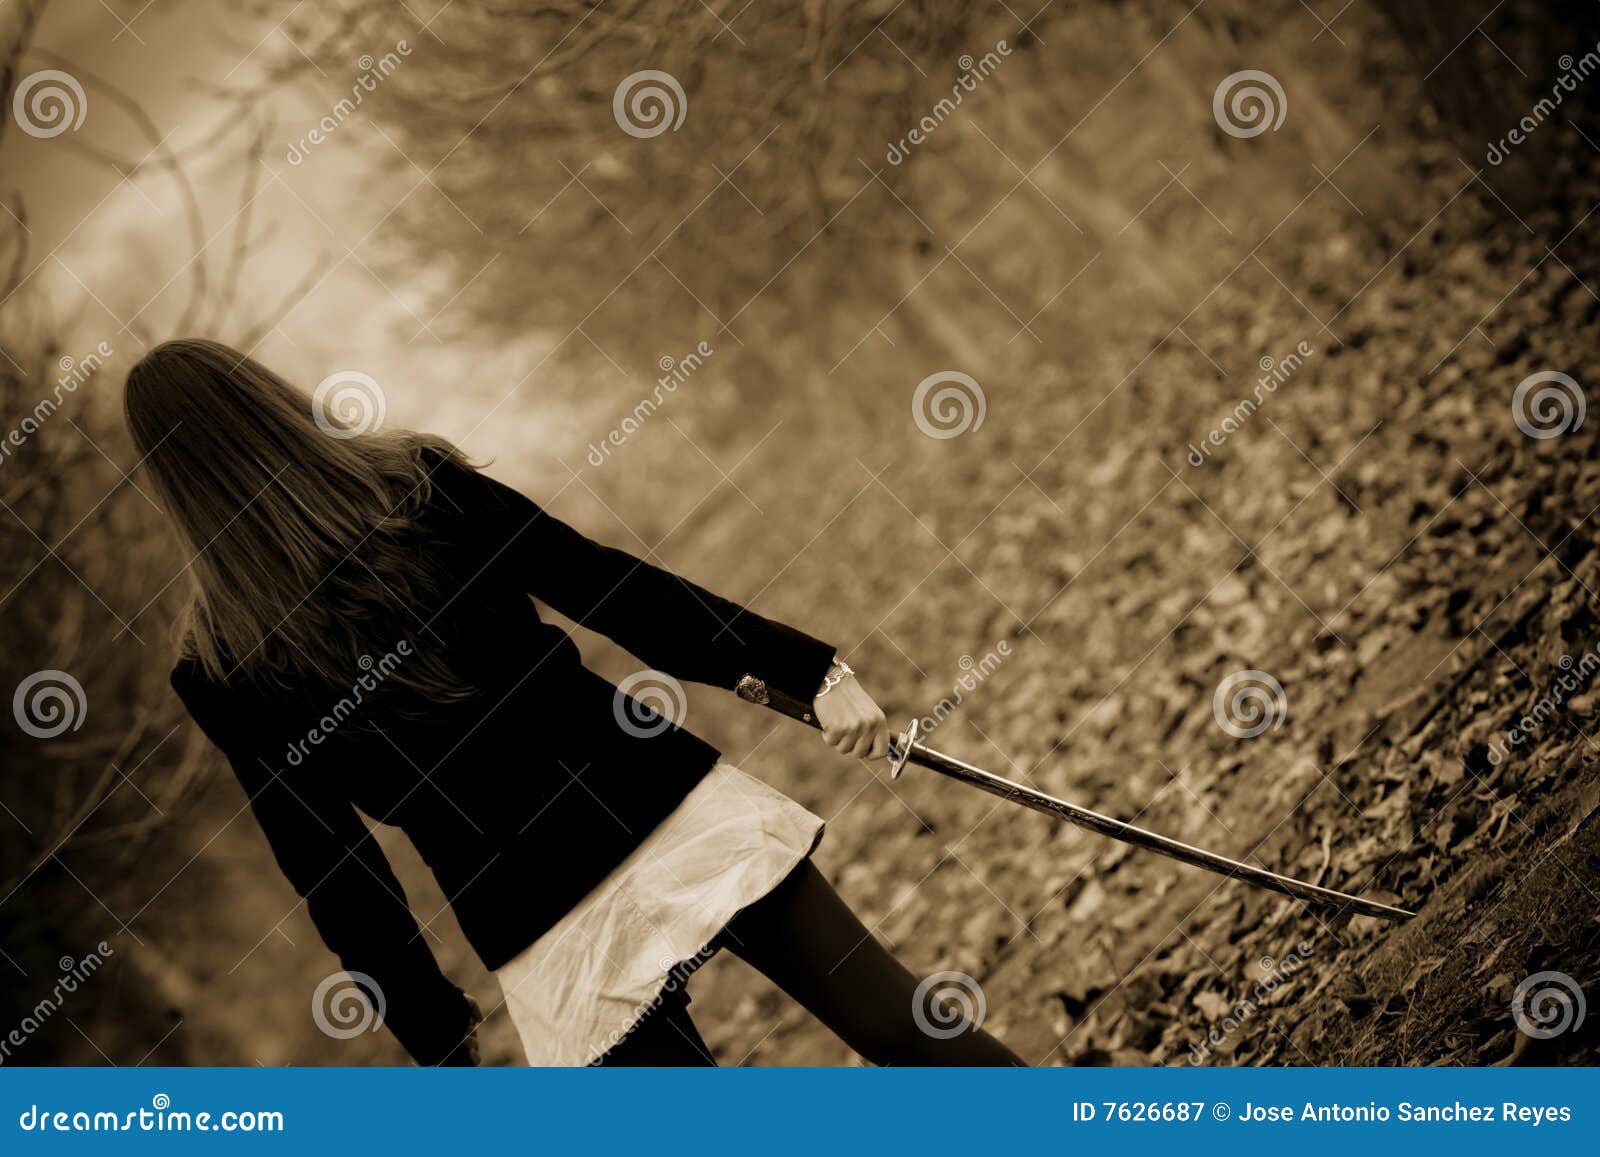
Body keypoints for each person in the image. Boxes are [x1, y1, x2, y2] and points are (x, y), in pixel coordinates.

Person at [124, 338, 1022, 1067]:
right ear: (274, 401)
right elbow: (611, 588)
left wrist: (432, 1025)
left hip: (533, 917)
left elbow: (332, 865)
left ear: (174, 488)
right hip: (657, 803)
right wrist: (811, 674)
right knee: (910, 1030)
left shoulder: (221, 669)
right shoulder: (418, 487)